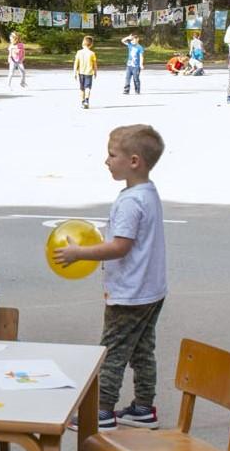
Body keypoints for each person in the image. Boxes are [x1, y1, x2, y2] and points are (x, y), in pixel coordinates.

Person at [54, 124, 167, 429]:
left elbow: (120, 246)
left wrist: (79, 253)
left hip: (130, 292)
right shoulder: (147, 192)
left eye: (112, 154)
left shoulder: (131, 201)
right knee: (143, 349)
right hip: (151, 289)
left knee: (112, 350)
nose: (106, 160)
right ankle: (144, 407)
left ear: (134, 161)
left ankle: (101, 410)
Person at [73, 34, 98, 109]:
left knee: (82, 88)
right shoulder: (92, 53)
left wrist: (74, 72)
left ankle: (82, 101)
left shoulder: (79, 52)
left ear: (83, 43)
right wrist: (95, 72)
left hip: (81, 73)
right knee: (88, 87)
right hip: (89, 73)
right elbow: (94, 64)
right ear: (91, 44)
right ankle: (87, 100)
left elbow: (76, 63)